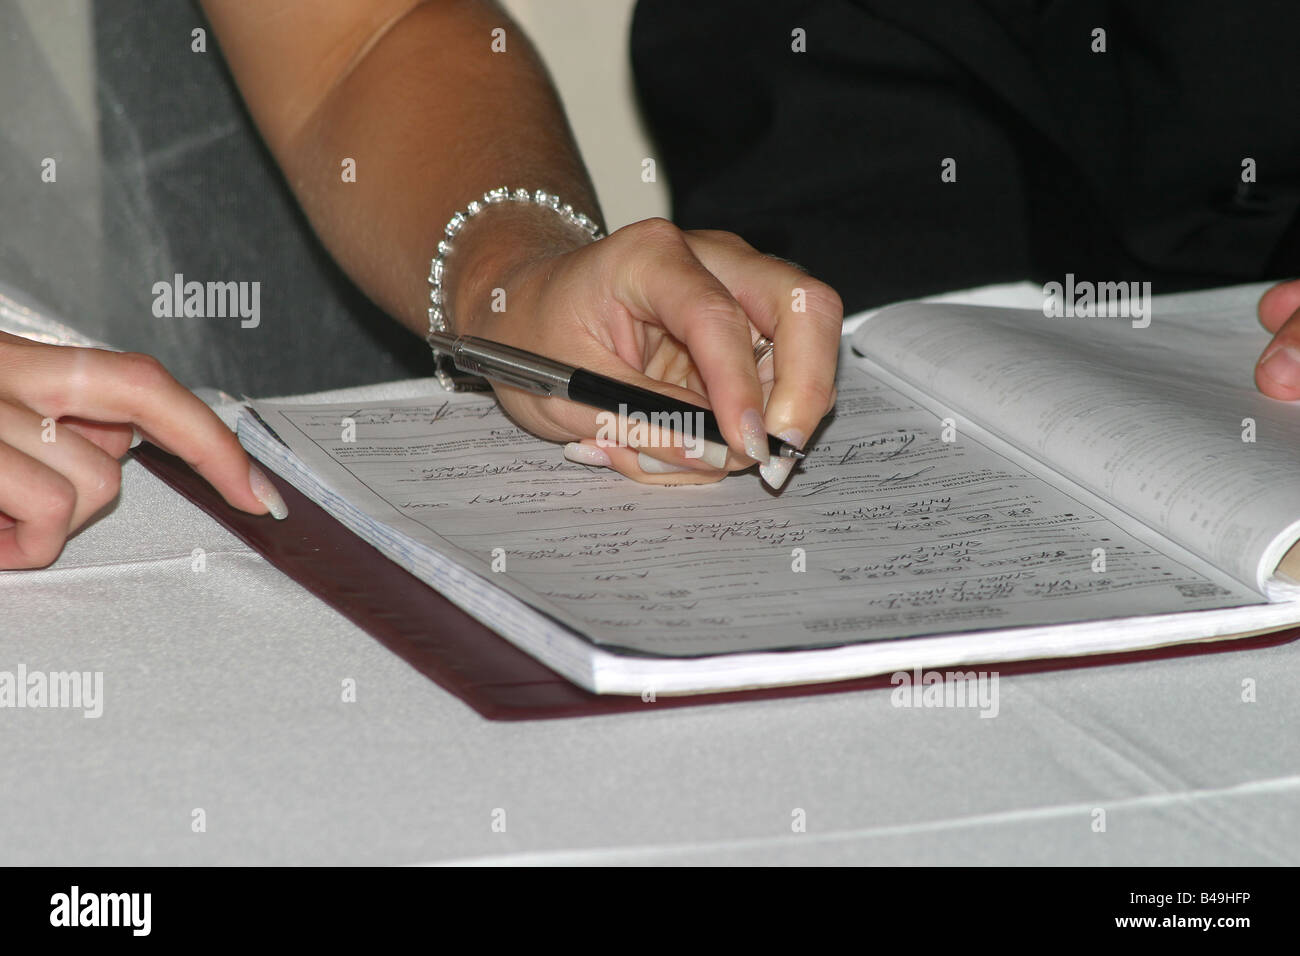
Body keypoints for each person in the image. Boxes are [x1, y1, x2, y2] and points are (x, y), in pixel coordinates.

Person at [1, 0, 1295, 572]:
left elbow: (363, 31)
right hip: (874, 173)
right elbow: (362, 33)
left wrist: (510, 273)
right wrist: (512, 271)